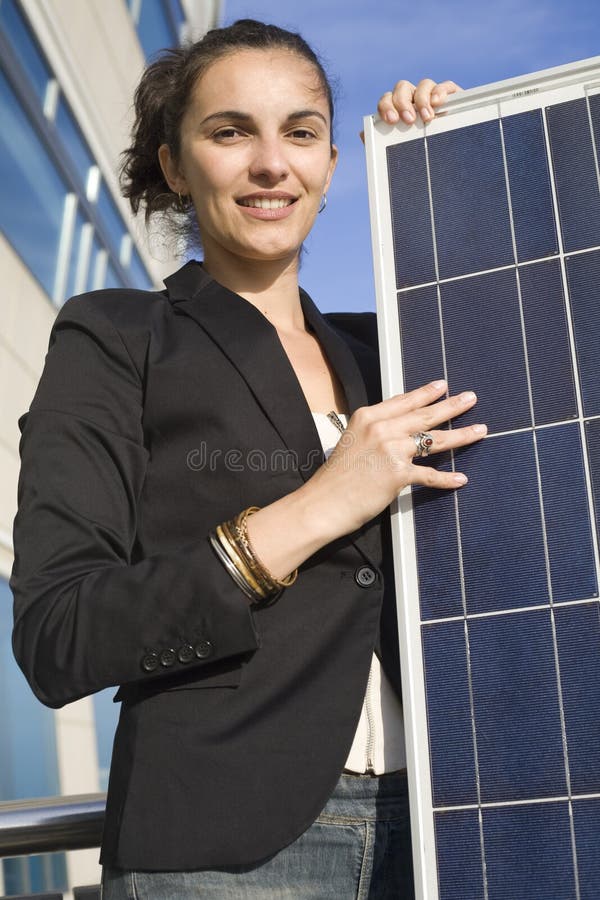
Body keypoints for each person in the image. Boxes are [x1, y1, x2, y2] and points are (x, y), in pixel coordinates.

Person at [10, 19, 483, 899]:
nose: (272, 164)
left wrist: (449, 164)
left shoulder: (392, 345)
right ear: (174, 166)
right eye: (231, 132)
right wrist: (318, 506)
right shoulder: (118, 336)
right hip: (223, 854)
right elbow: (58, 634)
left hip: (445, 825)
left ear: (331, 165)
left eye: (300, 133)